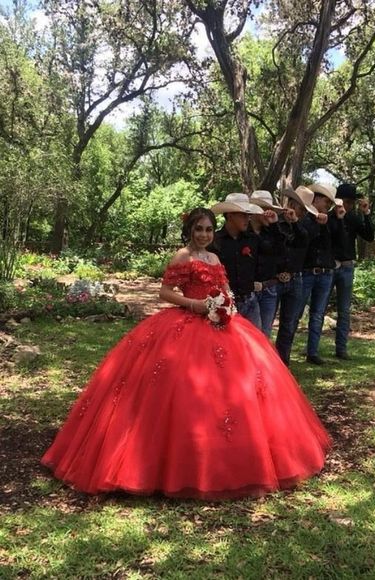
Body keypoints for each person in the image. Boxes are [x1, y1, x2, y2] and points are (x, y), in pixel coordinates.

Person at [41, 208, 331, 500]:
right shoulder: (183, 257)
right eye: (199, 229)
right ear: (190, 231)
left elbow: (223, 288)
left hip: (221, 324)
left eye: (207, 229)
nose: (203, 235)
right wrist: (195, 304)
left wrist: (225, 304)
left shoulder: (215, 257)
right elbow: (165, 292)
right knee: (177, 391)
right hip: (185, 323)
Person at [298, 184, 345, 366]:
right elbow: (304, 240)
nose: (328, 206)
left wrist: (338, 220)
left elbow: (341, 242)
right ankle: (283, 353)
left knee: (318, 314)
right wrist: (317, 224)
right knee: (295, 312)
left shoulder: (332, 220)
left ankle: (313, 352)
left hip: (326, 273)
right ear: (316, 200)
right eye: (326, 201)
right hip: (307, 272)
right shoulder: (305, 220)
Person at [329, 183, 374, 360]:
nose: (349, 205)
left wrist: (366, 214)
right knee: (319, 308)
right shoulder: (329, 217)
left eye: (352, 202)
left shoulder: (354, 218)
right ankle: (312, 349)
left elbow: (369, 237)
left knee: (344, 310)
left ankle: (341, 348)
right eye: (347, 201)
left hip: (347, 267)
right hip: (330, 266)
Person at [272, 185, 314, 366]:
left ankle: (283, 363)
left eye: (305, 210)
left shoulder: (303, 227)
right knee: (266, 324)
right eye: (300, 208)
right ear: (290, 204)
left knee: (288, 325)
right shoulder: (275, 223)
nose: (302, 213)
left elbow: (303, 240)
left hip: (296, 279)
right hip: (274, 280)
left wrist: (296, 222)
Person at [210, 193, 264, 329]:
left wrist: (273, 225)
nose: (247, 219)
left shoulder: (253, 239)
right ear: (230, 215)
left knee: (255, 344)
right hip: (225, 304)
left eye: (248, 215)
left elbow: (274, 254)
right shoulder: (215, 241)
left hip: (250, 300)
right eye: (243, 215)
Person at [248, 190, 286, 337]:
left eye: (270, 210)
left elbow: (282, 254)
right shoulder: (244, 232)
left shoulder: (273, 232)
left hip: (269, 288)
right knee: (251, 334)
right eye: (264, 209)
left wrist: (275, 225)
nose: (268, 213)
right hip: (249, 290)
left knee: (265, 333)